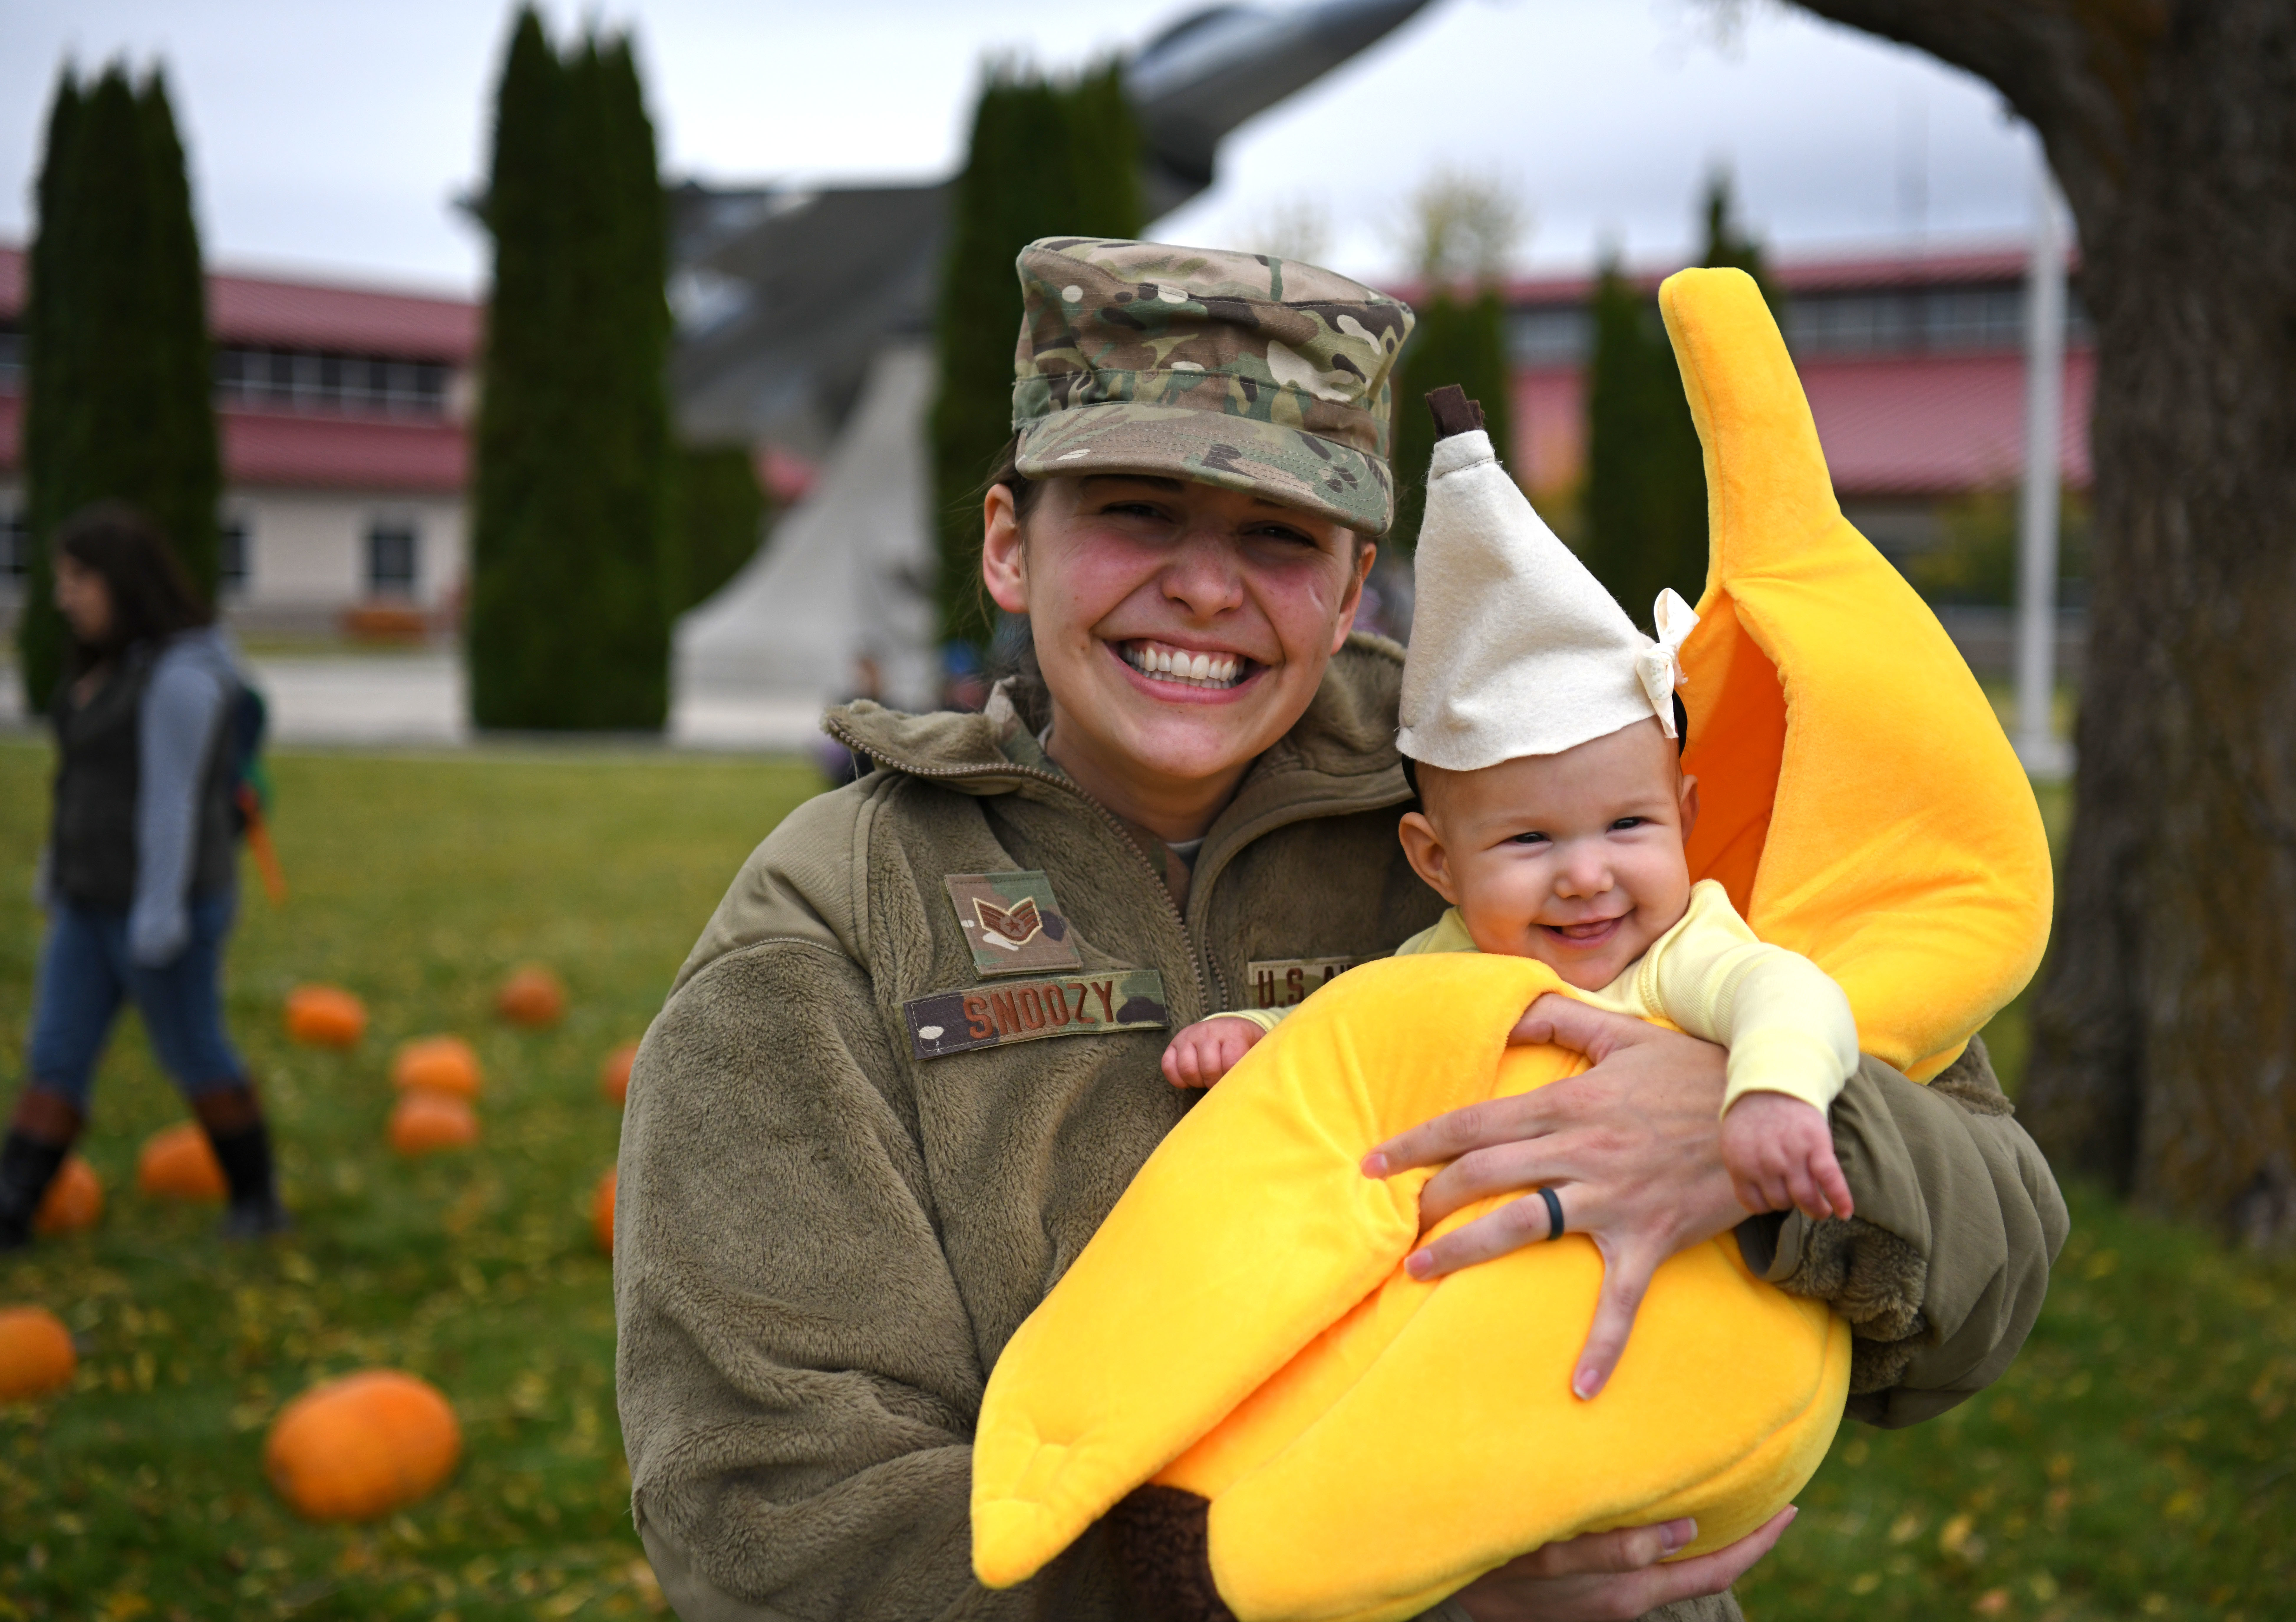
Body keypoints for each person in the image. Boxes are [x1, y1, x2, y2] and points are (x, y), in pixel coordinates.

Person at [614, 237, 2066, 1622]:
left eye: (1276, 536)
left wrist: (1751, 1138)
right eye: (1132, 511)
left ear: (1355, 584)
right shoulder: (832, 922)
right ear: (1008, 545)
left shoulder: (1572, 808)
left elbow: (1990, 1271)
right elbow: (773, 1523)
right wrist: (1358, 1582)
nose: (1201, 586)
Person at [1163, 402, 1856, 1237]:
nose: (1587, 876)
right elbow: (1352, 1024)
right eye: (1530, 840)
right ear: (1437, 864)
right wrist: (1256, 1033)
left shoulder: (1681, 953)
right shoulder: (1446, 958)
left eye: (1629, 827)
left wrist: (1772, 1096)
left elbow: (1787, 993)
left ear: (1686, 816)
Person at [0, 503, 287, 1250]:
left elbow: (172, 802)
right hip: (89, 900)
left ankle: (258, 1200)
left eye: (77, 578)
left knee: (195, 1049)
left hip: (170, 905)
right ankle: (13, 1208)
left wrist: (159, 918)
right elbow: (79, 782)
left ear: (122, 581)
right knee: (56, 1051)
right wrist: (56, 872)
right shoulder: (104, 664)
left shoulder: (182, 678)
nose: (64, 595)